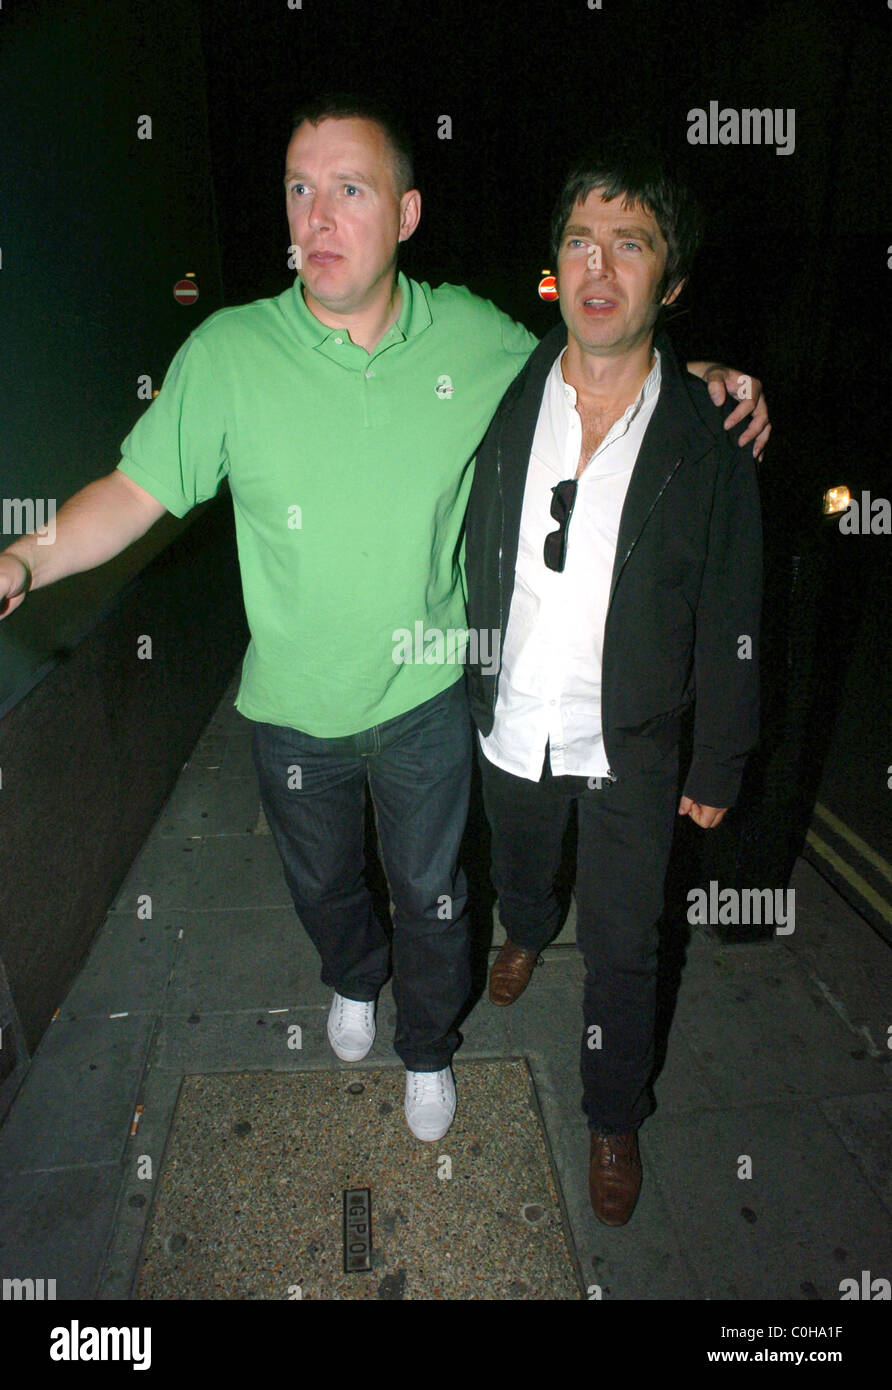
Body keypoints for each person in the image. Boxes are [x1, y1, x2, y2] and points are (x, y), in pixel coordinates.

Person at [0, 99, 769, 1146]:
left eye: (347, 189)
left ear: (404, 211)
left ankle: (428, 1046)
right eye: (297, 189)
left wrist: (704, 381)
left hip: (425, 702)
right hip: (289, 710)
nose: (315, 215)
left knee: (435, 894)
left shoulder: (469, 337)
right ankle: (352, 981)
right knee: (324, 887)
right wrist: (25, 556)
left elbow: (599, 358)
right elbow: (131, 494)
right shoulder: (228, 352)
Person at [463, 135, 763, 1223]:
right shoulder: (497, 385)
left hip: (633, 736)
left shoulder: (710, 438)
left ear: (669, 280)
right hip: (510, 717)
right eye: (579, 243)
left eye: (628, 246)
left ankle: (611, 1111)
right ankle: (527, 927)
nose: (597, 271)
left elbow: (735, 607)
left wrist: (720, 753)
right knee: (523, 861)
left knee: (630, 947)